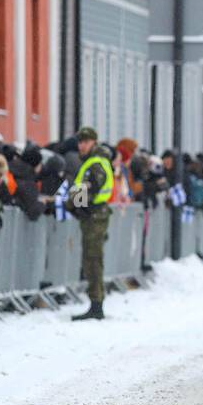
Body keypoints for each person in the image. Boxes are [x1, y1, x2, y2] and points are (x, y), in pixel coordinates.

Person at [68, 127, 114, 321]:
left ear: (94, 142)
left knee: (93, 260)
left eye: (85, 142)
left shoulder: (95, 163)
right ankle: (96, 303)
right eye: (80, 142)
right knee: (92, 260)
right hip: (94, 216)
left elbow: (89, 190)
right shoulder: (95, 161)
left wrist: (72, 204)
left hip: (94, 217)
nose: (82, 146)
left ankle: (96, 304)